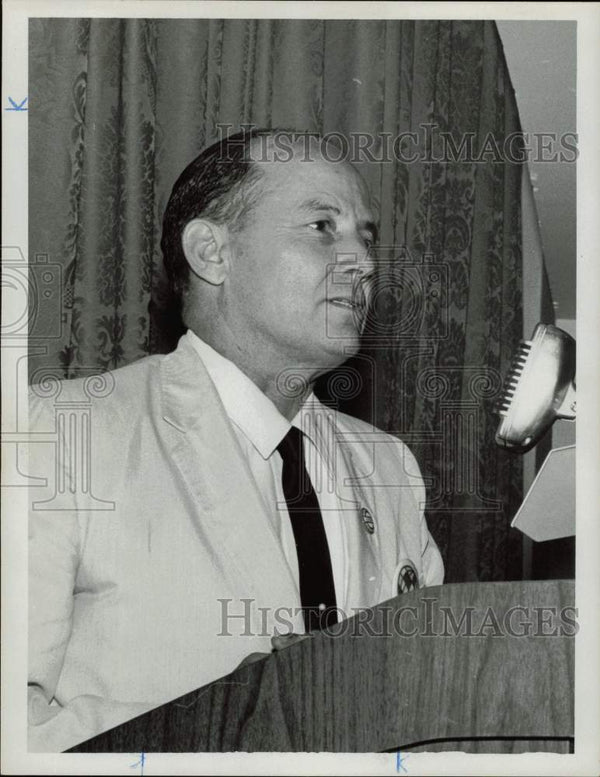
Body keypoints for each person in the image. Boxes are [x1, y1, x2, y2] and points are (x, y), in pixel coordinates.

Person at [28, 128, 444, 752]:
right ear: (212, 252)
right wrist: (224, 728)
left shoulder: (390, 466)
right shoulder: (59, 433)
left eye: (367, 235)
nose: (365, 262)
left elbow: (431, 702)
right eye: (323, 227)